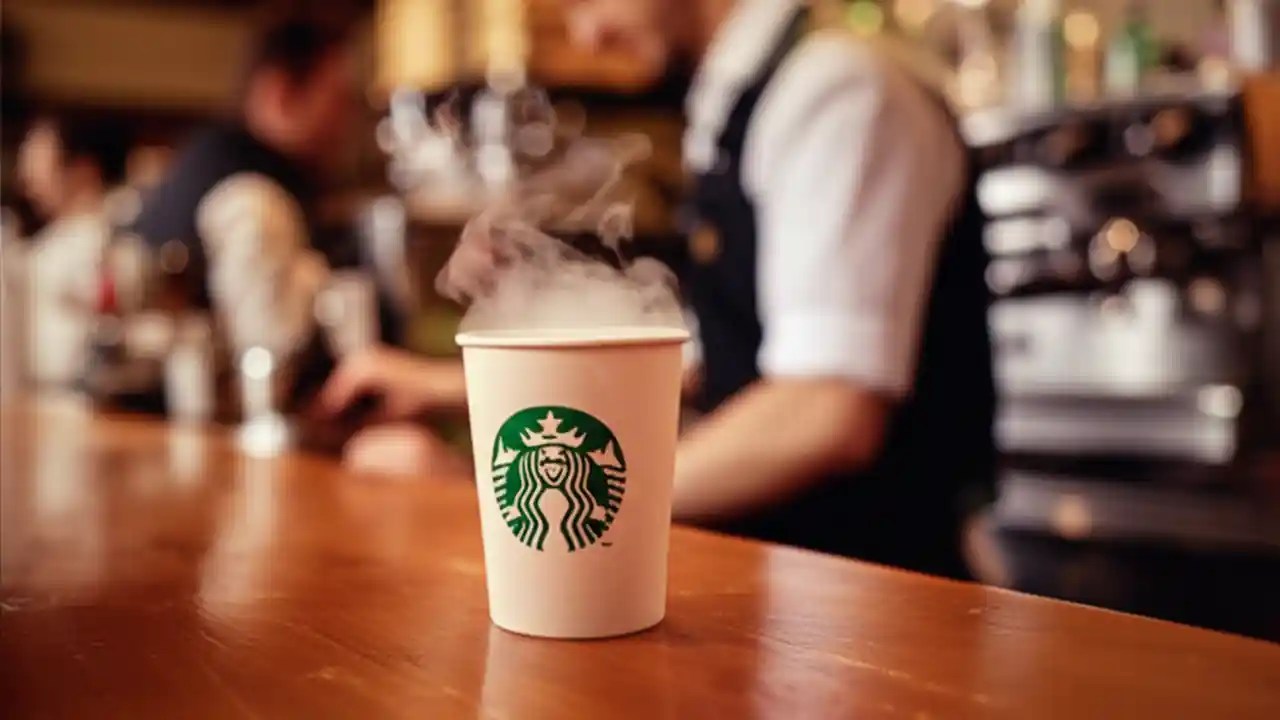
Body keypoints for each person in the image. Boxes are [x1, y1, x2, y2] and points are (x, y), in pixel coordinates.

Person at [323, 0, 994, 579]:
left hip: (871, 610)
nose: (587, 37)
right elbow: (726, 353)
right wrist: (444, 385)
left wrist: (500, 507)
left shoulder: (842, 94)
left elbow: (825, 409)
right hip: (772, 588)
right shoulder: (742, 105)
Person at [131, 14, 355, 401]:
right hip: (222, 419)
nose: (345, 123)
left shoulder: (207, 156)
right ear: (280, 91)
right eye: (336, 101)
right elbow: (272, 345)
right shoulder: (256, 191)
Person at [17, 115, 129, 387]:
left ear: (83, 169)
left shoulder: (119, 230)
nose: (28, 181)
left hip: (85, 393)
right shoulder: (48, 241)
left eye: (41, 167)